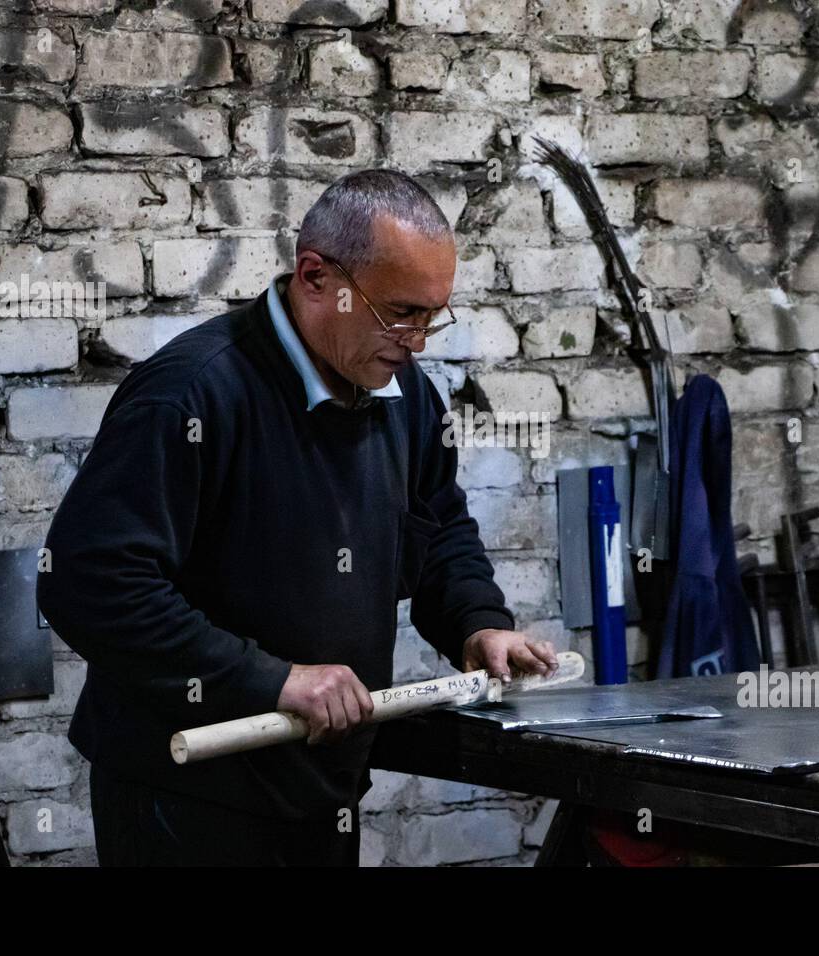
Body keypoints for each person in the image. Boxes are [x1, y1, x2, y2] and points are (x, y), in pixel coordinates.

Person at [37, 168, 559, 866]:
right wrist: (274, 681)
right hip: (188, 795)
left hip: (320, 785)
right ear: (316, 277)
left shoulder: (404, 395)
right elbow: (91, 583)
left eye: (433, 316)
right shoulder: (193, 395)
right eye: (400, 312)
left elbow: (437, 525)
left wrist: (478, 622)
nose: (419, 341)